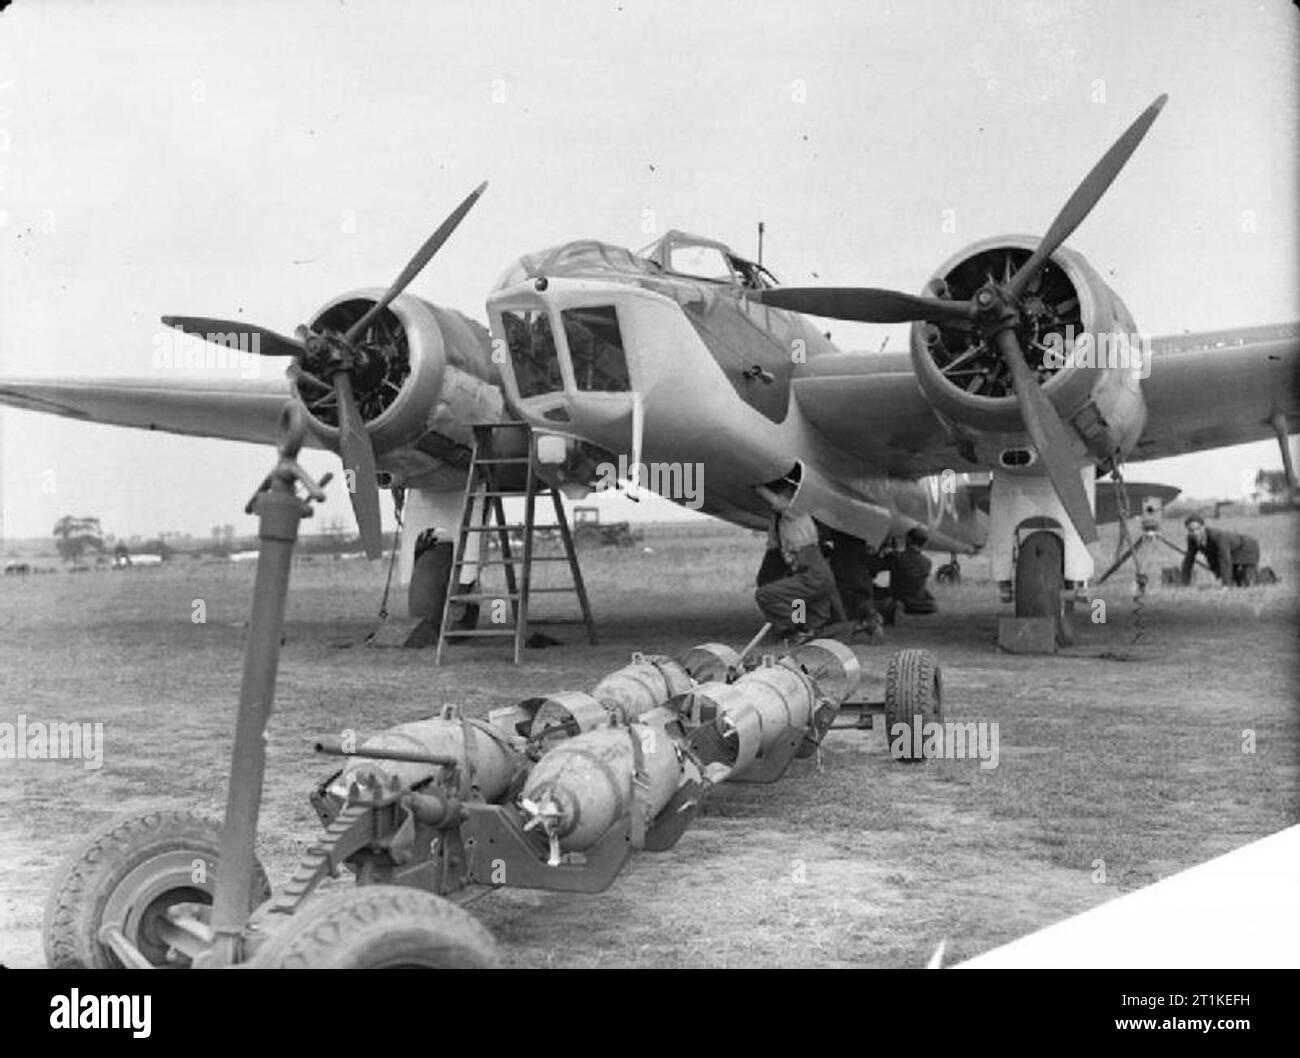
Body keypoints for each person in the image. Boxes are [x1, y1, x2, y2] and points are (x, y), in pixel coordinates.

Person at [753, 480, 843, 640]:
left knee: (765, 595)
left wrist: (757, 486)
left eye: (783, 495)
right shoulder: (791, 518)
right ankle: (801, 630)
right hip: (814, 572)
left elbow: (779, 504)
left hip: (813, 573)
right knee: (801, 603)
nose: (778, 498)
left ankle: (795, 627)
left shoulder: (796, 510)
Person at [877, 528, 938, 624]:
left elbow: (876, 566)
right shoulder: (927, 562)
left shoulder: (896, 557)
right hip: (919, 601)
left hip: (901, 600)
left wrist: (883, 550)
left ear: (908, 540)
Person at [1180, 515, 1260, 587]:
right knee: (1236, 580)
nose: (1195, 533)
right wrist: (1184, 583)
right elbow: (1188, 560)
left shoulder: (1218, 537)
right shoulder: (1191, 539)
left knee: (1248, 582)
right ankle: (1237, 580)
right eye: (1191, 530)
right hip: (1231, 552)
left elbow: (1225, 560)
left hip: (1247, 548)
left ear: (1203, 527)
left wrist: (1225, 586)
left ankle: (1264, 576)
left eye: (1198, 529)